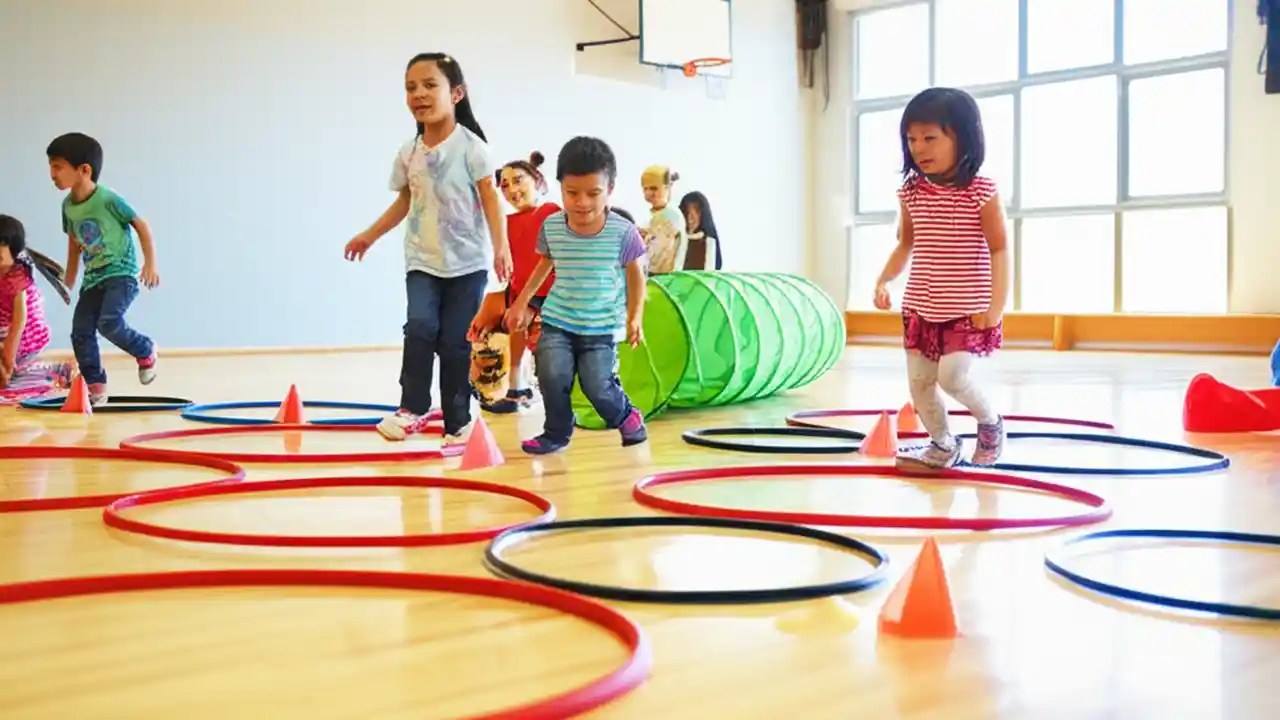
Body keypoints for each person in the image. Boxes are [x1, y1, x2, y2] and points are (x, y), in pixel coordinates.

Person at [345, 52, 511, 446]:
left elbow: (491, 201)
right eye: (410, 87)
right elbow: (405, 201)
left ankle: (458, 422)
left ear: (456, 93)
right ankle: (412, 408)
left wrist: (501, 248)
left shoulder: (473, 148)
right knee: (420, 328)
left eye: (429, 85)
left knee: (456, 342)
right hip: (422, 261)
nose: (418, 94)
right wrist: (369, 235)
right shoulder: (409, 152)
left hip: (467, 265)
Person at [872, 87, 1009, 470]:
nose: (919, 147)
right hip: (921, 306)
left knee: (953, 377)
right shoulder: (911, 192)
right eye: (911, 139)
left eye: (930, 137)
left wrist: (995, 308)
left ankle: (990, 423)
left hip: (966, 308)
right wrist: (884, 281)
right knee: (919, 384)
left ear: (962, 137)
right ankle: (943, 443)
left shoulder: (981, 192)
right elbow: (905, 245)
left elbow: (1000, 250)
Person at [505, 136, 648, 455]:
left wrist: (634, 316)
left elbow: (636, 275)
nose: (582, 202)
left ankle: (626, 415)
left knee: (597, 387)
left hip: (601, 327)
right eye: (572, 193)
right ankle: (556, 432)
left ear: (610, 189)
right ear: (560, 188)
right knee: (552, 373)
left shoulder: (623, 231)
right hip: (558, 319)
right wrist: (521, 301)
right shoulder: (553, 226)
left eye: (593, 193)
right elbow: (545, 263)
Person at [47, 132, 159, 407]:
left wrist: (150, 263)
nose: (52, 173)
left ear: (84, 170)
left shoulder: (107, 199)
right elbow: (74, 243)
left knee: (108, 322)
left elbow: (140, 224)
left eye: (58, 166)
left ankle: (145, 350)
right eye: (50, 166)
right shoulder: (67, 207)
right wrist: (69, 281)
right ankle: (96, 385)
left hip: (121, 273)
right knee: (80, 331)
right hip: (93, 278)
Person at [468, 151, 560, 414]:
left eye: (518, 180)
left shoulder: (551, 212)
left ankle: (534, 385)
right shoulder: (506, 222)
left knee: (522, 322)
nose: (511, 189)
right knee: (494, 316)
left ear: (538, 181)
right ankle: (513, 384)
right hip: (521, 292)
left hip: (549, 292)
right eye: (505, 185)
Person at [0, 215, 72, 393]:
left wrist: (8, 355)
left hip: (26, 335)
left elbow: (20, 320)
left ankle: (54, 372)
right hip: (4, 331)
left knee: (12, 377)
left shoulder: (17, 277)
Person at [639, 165, 687, 274]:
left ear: (667, 188)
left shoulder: (671, 215)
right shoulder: (653, 215)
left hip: (665, 278)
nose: (648, 193)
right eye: (645, 188)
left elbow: (658, 254)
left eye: (654, 188)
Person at [678, 191, 723, 270]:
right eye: (687, 212)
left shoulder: (709, 242)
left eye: (696, 212)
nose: (690, 218)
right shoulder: (676, 239)